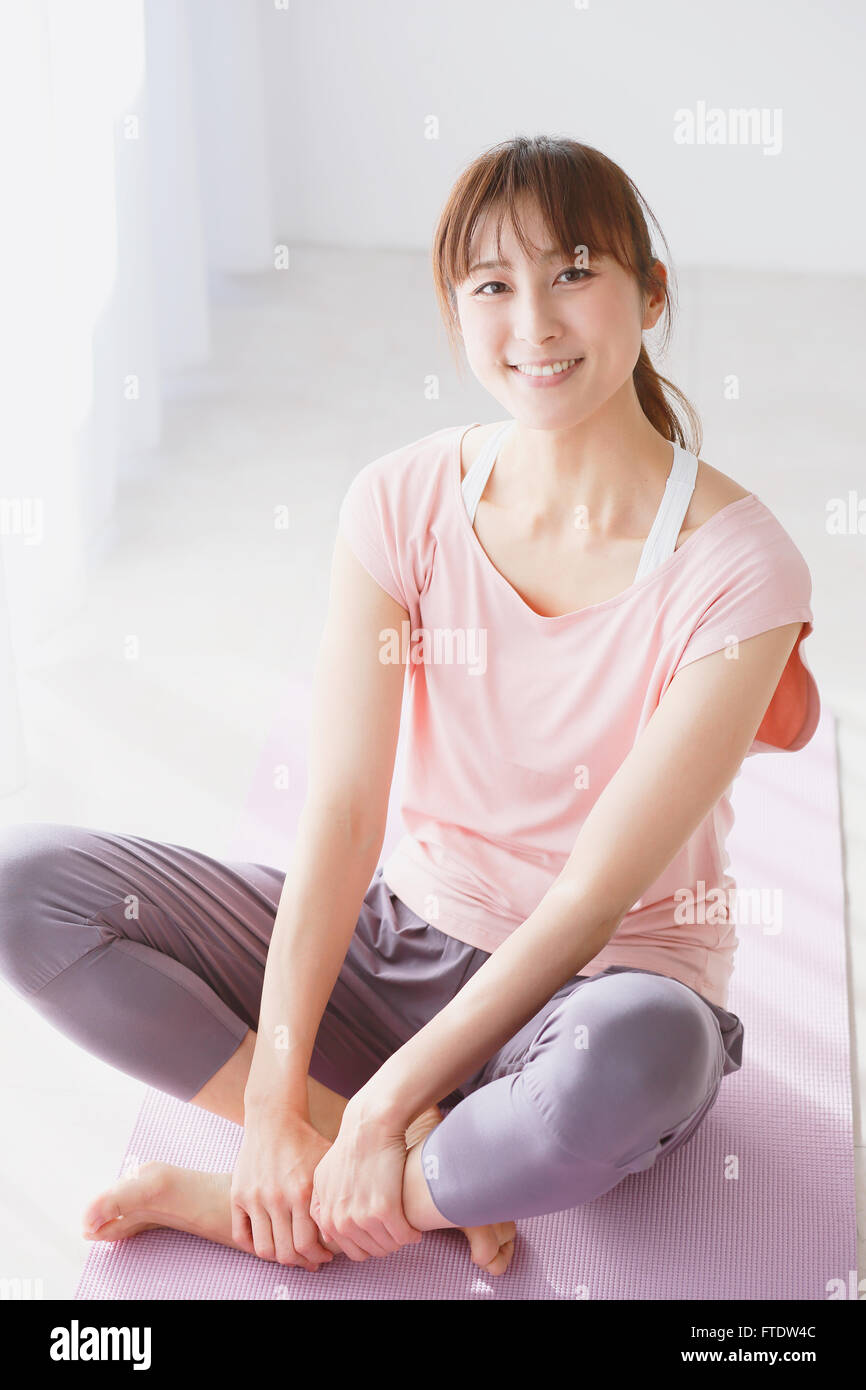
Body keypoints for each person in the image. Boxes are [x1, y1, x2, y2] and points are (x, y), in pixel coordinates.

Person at [0, 136, 820, 1280]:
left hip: (587, 997)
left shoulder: (739, 567)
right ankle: (351, 1176)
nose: (531, 322)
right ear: (454, 312)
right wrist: (281, 1108)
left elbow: (589, 899)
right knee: (27, 883)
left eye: (572, 271)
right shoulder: (400, 499)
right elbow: (340, 813)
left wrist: (389, 1102)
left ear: (649, 291)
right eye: (490, 285)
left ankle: (347, 1175)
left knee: (646, 1054)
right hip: (396, 949)